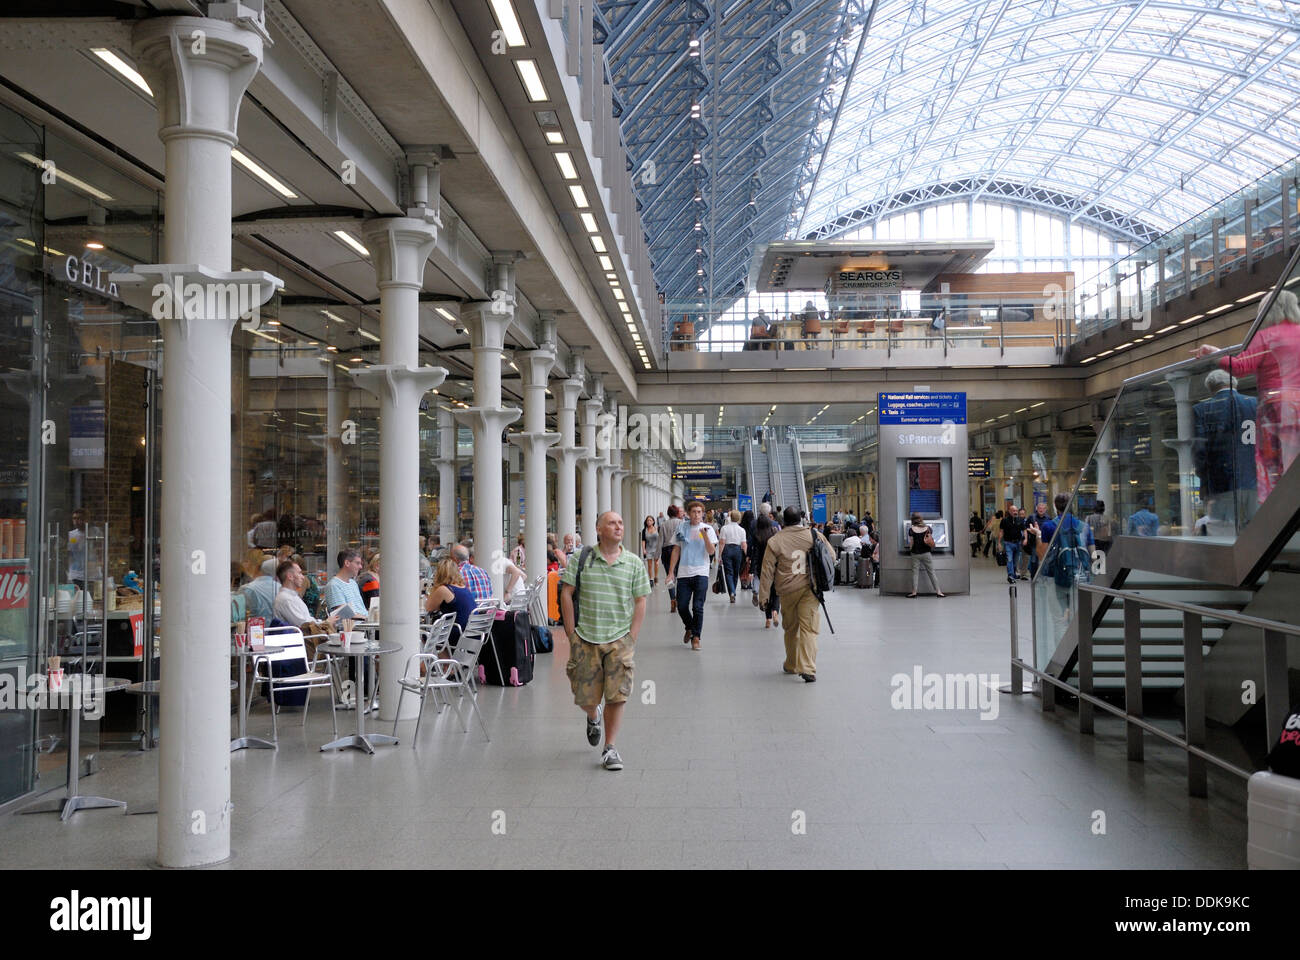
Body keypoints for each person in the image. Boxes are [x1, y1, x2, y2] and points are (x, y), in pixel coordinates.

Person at [560, 511, 650, 772]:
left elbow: (641, 599)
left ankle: (610, 748)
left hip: (620, 640)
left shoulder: (633, 562)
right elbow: (567, 593)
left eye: (621, 522)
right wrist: (570, 633)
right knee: (583, 696)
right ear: (599, 529)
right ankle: (593, 714)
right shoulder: (581, 559)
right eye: (612, 523)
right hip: (586, 637)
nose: (618, 526)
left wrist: (632, 636)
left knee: (617, 694)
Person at [1197, 288, 1300, 503]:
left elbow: (1241, 366)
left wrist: (1214, 353)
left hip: (1274, 406)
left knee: (1272, 462)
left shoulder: (1266, 336)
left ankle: (1277, 507)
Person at [759, 506, 834, 682]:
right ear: (801, 519)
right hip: (811, 589)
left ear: (783, 521)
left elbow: (767, 570)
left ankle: (792, 664)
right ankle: (808, 667)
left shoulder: (775, 541)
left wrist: (764, 597)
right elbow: (831, 556)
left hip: (787, 591)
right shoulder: (814, 535)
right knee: (809, 629)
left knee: (791, 628)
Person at [1193, 369, 1259, 535]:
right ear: (1235, 383)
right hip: (1254, 481)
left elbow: (1200, 450)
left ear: (1210, 388)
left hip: (1220, 485)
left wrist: (1203, 479)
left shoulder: (1202, 409)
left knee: (1224, 531)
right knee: (1255, 529)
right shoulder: (1255, 403)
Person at [667, 500, 718, 650]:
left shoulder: (708, 529)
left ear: (703, 514)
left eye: (699, 512)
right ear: (688, 514)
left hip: (701, 572)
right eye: (694, 512)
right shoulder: (681, 528)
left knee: (698, 607)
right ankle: (689, 626)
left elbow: (711, 552)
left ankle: (696, 637)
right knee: (682, 605)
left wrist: (705, 536)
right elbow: (676, 550)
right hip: (683, 572)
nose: (696, 515)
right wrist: (671, 572)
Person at [272, 560, 338, 659]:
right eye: (299, 573)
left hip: (305, 643)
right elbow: (304, 625)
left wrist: (324, 622)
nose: (303, 577)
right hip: (302, 646)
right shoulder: (286, 599)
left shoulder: (291, 597)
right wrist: (326, 622)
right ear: (290, 576)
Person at [424, 557, 477, 647]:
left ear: (439, 573)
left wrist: (433, 590)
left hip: (457, 632)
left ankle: (444, 660)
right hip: (472, 632)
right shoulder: (463, 587)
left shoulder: (444, 589)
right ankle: (444, 660)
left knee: (425, 634)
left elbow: (428, 607)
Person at [752, 511, 782, 628]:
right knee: (776, 591)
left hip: (762, 567)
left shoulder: (757, 535)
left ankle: (768, 618)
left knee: (766, 590)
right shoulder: (775, 533)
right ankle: (775, 611)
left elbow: (756, 553)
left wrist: (752, 570)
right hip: (775, 565)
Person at [905, 512, 946, 598]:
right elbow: (930, 539)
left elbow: (911, 544)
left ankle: (914, 592)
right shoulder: (928, 528)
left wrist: (910, 550)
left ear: (913, 520)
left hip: (915, 554)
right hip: (926, 554)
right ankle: (939, 592)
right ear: (921, 519)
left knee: (915, 573)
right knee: (931, 572)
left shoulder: (911, 530)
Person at [718, 509, 748, 603]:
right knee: (736, 572)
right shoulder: (742, 530)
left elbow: (722, 542)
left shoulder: (724, 528)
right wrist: (747, 555)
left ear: (730, 517)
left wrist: (719, 555)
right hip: (737, 550)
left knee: (728, 572)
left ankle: (732, 592)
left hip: (727, 550)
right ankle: (733, 591)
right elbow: (744, 544)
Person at [659, 504, 682, 613]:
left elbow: (660, 540)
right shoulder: (681, 523)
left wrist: (656, 556)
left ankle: (672, 599)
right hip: (678, 549)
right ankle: (678, 597)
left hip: (666, 550)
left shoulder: (663, 524)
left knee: (670, 575)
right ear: (677, 512)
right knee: (678, 575)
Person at [1000, 507, 1024, 584]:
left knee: (1015, 561)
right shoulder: (1004, 520)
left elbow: (1024, 530)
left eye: (1016, 510)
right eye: (1013, 511)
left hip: (1018, 543)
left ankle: (1013, 574)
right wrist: (999, 542)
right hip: (1008, 543)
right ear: (1009, 511)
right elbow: (1001, 531)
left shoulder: (1020, 520)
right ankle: (1010, 575)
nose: (1015, 512)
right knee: (1009, 559)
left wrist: (1025, 539)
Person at [640, 516, 660, 586]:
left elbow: (660, 539)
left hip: (656, 549)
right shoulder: (644, 530)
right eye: (648, 520)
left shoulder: (657, 529)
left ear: (653, 521)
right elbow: (643, 541)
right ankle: (651, 579)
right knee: (649, 565)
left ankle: (656, 577)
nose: (649, 522)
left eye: (650, 520)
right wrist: (643, 549)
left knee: (656, 564)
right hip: (648, 549)